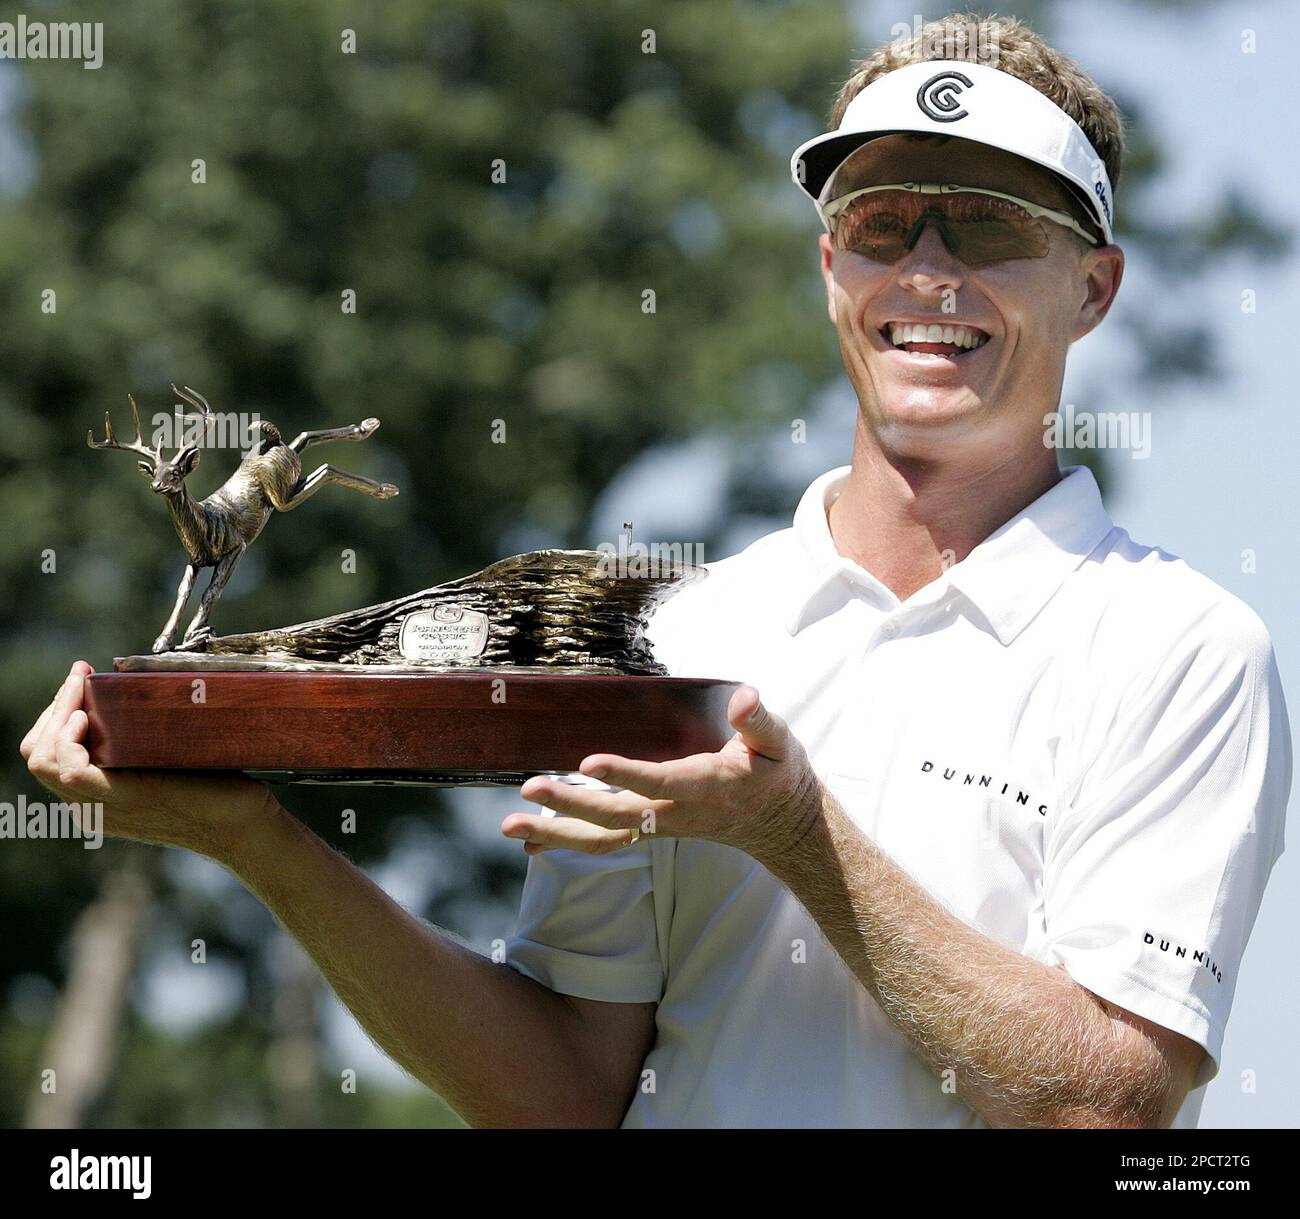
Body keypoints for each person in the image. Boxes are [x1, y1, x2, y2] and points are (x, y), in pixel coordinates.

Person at [22, 16, 1290, 1128]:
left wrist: (795, 835)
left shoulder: (1179, 646)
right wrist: (255, 841)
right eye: (883, 220)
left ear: (1096, 286)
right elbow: (565, 1088)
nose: (929, 268)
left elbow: (1101, 1102)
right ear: (828, 265)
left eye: (993, 224)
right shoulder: (671, 624)